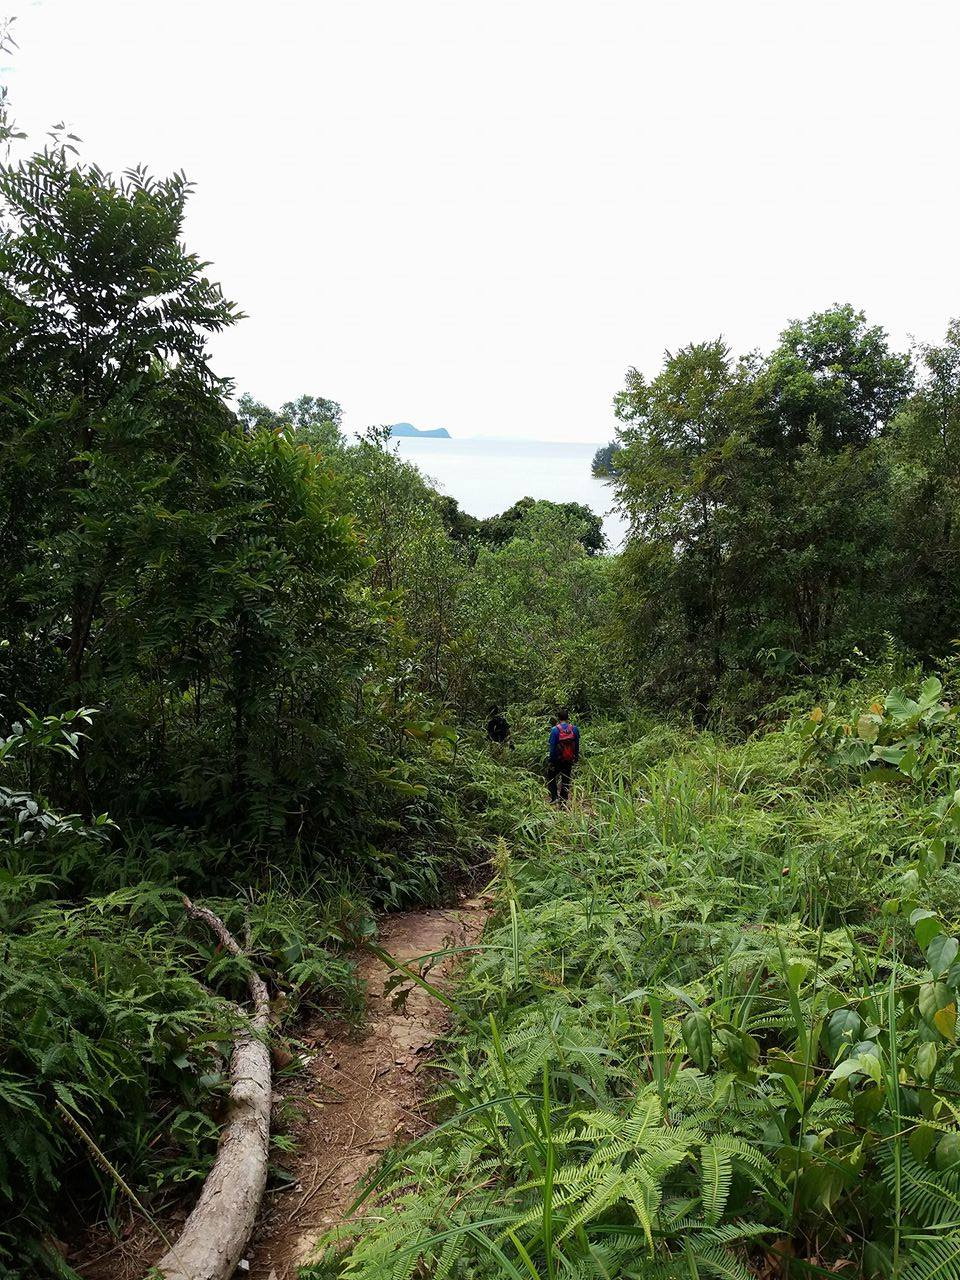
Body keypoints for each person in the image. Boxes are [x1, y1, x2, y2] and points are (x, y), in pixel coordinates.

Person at [547, 708, 579, 805]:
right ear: (568, 718)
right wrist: (576, 757)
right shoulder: (574, 729)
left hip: (557, 759)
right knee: (566, 778)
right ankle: (563, 801)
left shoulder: (555, 730)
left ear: (558, 718)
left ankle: (554, 797)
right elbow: (577, 744)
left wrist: (551, 760)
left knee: (551, 777)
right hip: (569, 758)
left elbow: (552, 747)